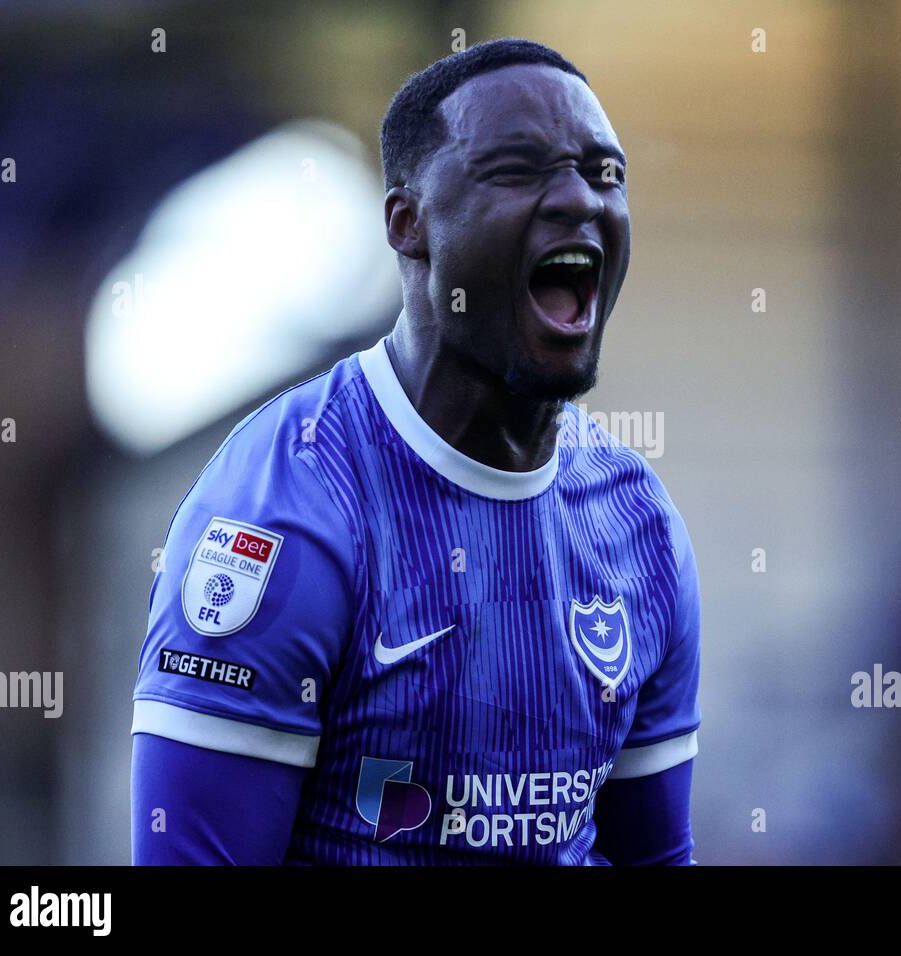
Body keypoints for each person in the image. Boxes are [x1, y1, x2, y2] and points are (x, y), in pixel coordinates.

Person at [130, 37, 700, 865]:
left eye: (604, 173)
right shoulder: (287, 511)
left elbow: (654, 856)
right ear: (409, 224)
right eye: (519, 169)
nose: (579, 198)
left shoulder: (639, 527)